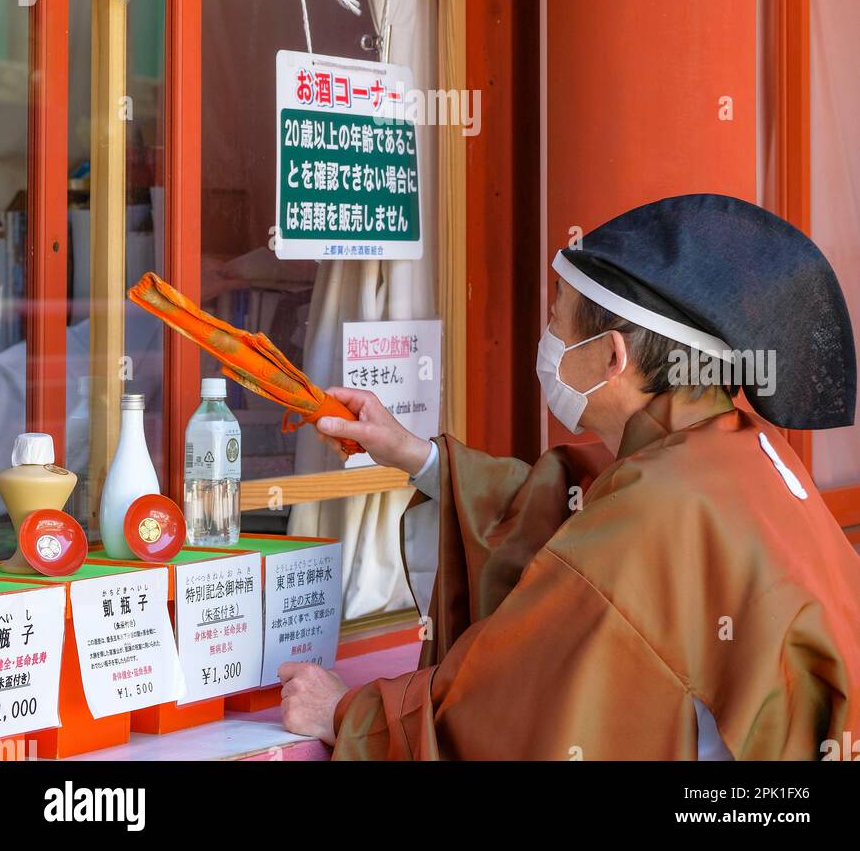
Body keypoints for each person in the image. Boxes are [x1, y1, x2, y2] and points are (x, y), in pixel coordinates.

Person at [277, 194, 860, 760]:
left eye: (557, 320)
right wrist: (413, 454)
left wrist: (348, 714)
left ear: (612, 356)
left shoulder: (659, 502)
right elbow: (563, 515)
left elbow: (509, 698)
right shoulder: (729, 446)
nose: (548, 340)